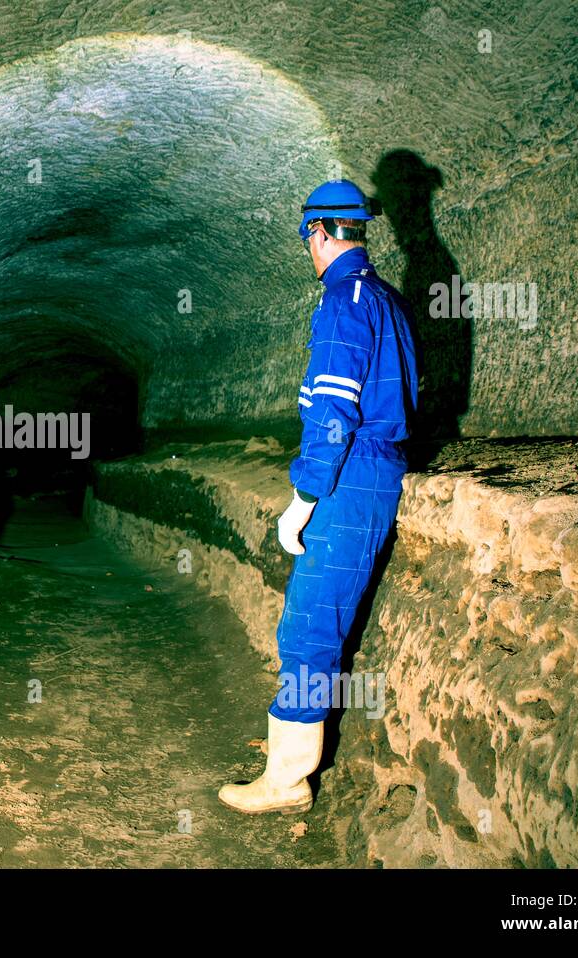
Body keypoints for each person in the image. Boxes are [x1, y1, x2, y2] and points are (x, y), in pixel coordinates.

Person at [219, 179, 419, 816]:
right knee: (315, 621)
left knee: (309, 625)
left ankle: (287, 780)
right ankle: (290, 768)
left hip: (350, 476)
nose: (309, 247)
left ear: (321, 232)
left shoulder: (343, 299)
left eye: (308, 235)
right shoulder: (386, 299)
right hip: (375, 469)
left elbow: (333, 410)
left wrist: (306, 494)